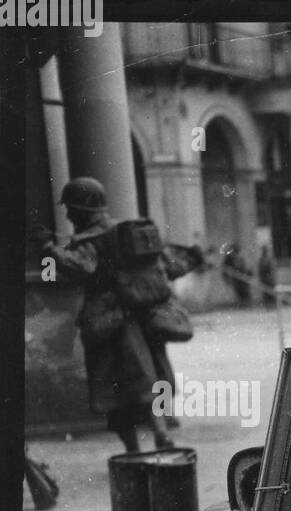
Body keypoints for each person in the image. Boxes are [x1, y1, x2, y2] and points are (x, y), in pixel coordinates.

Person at [35, 176, 203, 453]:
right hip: (143, 320)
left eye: (70, 207)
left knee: (112, 393)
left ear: (82, 209)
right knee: (151, 381)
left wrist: (47, 249)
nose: (66, 213)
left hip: (108, 326)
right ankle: (162, 435)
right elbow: (166, 268)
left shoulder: (90, 240)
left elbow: (80, 267)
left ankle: (133, 450)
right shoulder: (127, 233)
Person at [221, 242, 253, 306]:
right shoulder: (229, 257)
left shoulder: (239, 257)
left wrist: (248, 273)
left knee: (244, 291)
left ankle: (246, 303)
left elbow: (243, 267)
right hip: (237, 277)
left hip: (242, 277)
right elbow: (225, 267)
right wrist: (227, 277)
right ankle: (242, 304)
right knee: (240, 292)